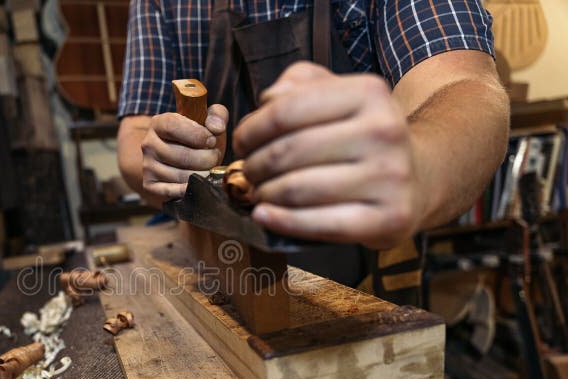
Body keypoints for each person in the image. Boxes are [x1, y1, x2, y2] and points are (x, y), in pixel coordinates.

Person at [115, 0, 509, 304]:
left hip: (365, 285)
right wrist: (173, 155)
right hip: (216, 272)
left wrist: (417, 168)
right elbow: (135, 130)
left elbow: (463, 87)